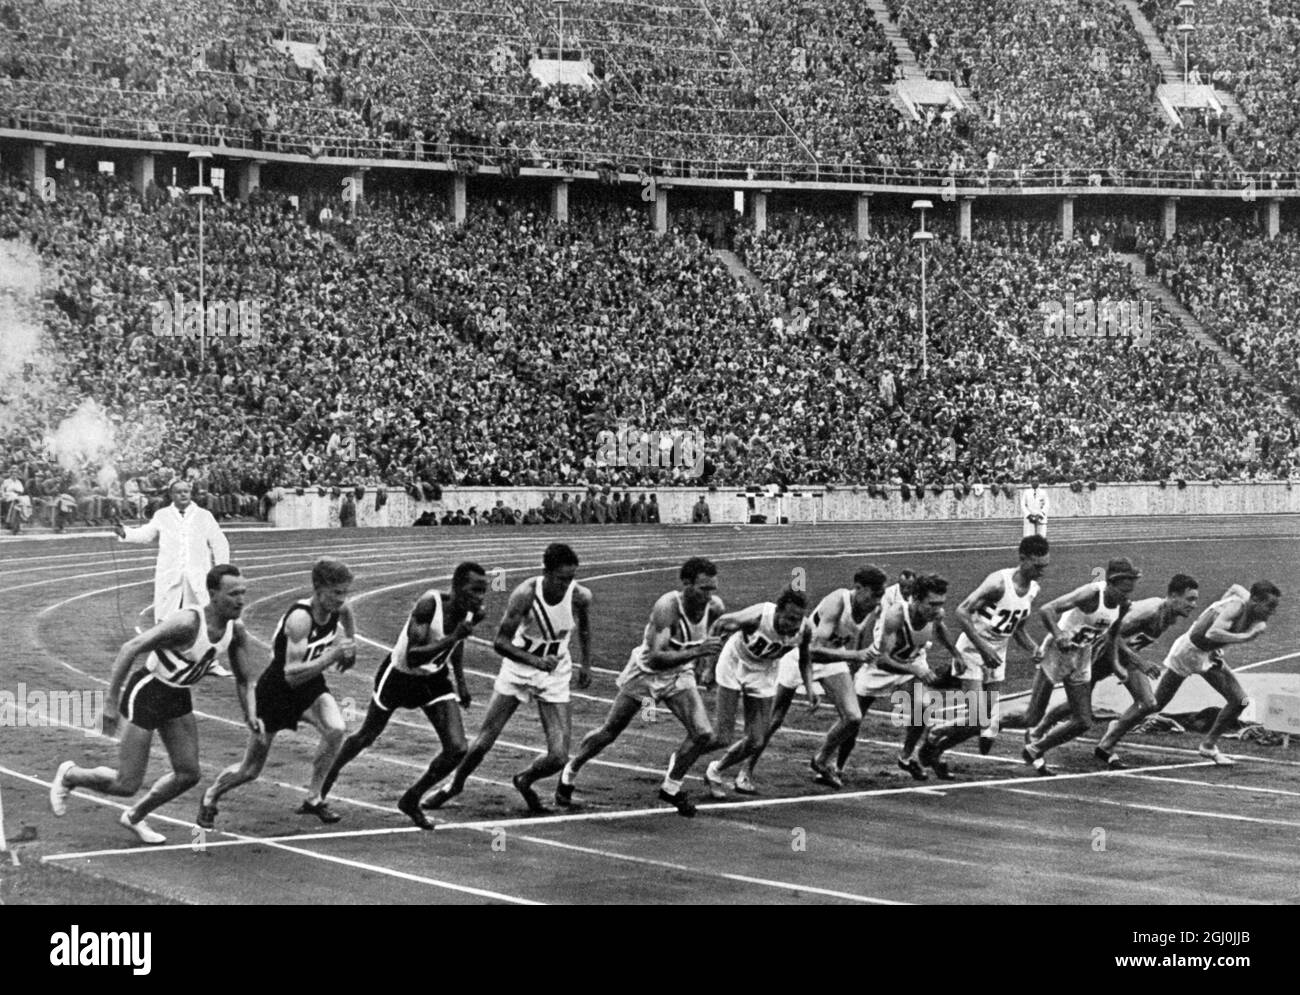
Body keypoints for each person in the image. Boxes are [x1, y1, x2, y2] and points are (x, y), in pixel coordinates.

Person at [49, 565, 258, 845]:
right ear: (213, 594)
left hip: (177, 696)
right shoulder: (187, 623)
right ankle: (71, 775)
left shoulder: (236, 630)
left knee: (188, 774)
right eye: (233, 593)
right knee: (126, 784)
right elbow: (130, 648)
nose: (241, 600)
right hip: (147, 691)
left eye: (243, 593)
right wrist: (111, 702)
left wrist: (251, 716)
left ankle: (134, 817)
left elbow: (245, 680)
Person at [424, 544, 592, 814]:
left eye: (571, 578)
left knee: (559, 756)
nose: (566, 584)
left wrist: (586, 663)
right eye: (561, 578)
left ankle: (525, 779)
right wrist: (535, 661)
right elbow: (500, 642)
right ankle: (452, 786)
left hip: (555, 671)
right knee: (483, 742)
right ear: (545, 573)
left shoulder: (580, 596)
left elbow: (584, 628)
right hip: (518, 667)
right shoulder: (525, 595)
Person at [321, 562, 490, 828]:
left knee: (457, 749)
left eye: (483, 591)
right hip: (399, 676)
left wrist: (461, 682)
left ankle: (412, 798)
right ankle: (325, 780)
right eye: (474, 590)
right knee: (367, 735)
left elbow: (457, 643)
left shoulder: (474, 612)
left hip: (433, 679)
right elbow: (413, 657)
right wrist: (453, 637)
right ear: (456, 587)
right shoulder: (429, 604)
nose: (480, 598)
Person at [197, 559, 357, 829]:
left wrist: (351, 647)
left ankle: (314, 798)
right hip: (277, 691)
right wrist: (332, 656)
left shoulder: (340, 607)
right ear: (318, 589)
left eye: (345, 592)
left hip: (310, 685)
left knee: (336, 729)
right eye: (336, 593)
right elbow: (291, 674)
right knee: (250, 770)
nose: (341, 599)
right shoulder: (300, 619)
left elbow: (347, 622)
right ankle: (211, 794)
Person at [559, 557, 724, 816]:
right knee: (610, 731)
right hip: (645, 674)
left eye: (712, 588)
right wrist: (699, 652)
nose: (708, 595)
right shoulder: (667, 607)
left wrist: (708, 665)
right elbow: (657, 657)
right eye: (703, 588)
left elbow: (712, 639)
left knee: (703, 734)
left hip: (678, 675)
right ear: (686, 583)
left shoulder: (714, 608)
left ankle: (671, 787)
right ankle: (571, 769)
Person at [740, 566, 888, 792]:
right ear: (858, 588)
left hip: (834, 658)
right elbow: (814, 650)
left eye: (880, 594)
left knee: (853, 717)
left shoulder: (870, 607)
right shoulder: (836, 602)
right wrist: (853, 655)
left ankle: (821, 759)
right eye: (874, 594)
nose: (878, 600)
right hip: (799, 655)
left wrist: (857, 661)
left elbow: (856, 635)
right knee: (774, 718)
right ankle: (745, 770)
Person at [920, 537, 1050, 777]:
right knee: (979, 717)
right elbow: (961, 611)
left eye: (1044, 566)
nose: (1041, 572)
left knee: (983, 721)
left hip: (996, 656)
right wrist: (983, 648)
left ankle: (936, 744)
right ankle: (936, 733)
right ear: (1023, 559)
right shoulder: (998, 583)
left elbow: (1018, 628)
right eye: (1037, 566)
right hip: (972, 651)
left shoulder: (1033, 589)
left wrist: (1033, 649)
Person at [1008, 558, 1139, 776]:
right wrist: (1059, 635)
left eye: (1130, 590)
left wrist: (1116, 664)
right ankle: (980, 722)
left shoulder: (1123, 604)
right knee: (1030, 717)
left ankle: (1035, 749)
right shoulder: (1090, 594)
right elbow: (1047, 609)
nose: (1127, 596)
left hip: (1081, 656)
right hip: (1057, 653)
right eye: (1124, 590)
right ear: (1112, 583)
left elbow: (1113, 636)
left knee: (1083, 721)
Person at [1066, 574, 1200, 769]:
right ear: (1173, 596)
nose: (1194, 605)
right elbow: (1111, 634)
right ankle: (1036, 731)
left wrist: (1131, 662)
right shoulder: (1149, 610)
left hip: (1123, 659)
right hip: (1098, 656)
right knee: (1076, 708)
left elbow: (1131, 641)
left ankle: (1106, 745)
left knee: (1148, 703)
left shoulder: (1168, 615)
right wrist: (1139, 662)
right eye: (1190, 599)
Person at [1148, 581, 1280, 766]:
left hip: (1207, 656)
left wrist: (1218, 612)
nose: (1272, 612)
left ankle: (1208, 745)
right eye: (1270, 606)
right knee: (1155, 704)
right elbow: (1212, 633)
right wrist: (1245, 636)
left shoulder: (1244, 598)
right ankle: (1117, 730)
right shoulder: (1237, 607)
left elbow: (1235, 587)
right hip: (1188, 653)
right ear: (1256, 600)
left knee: (1240, 701)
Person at [839, 574, 958, 779]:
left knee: (923, 706)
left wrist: (956, 653)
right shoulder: (896, 615)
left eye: (941, 604)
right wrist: (915, 670)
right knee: (853, 719)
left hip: (912, 661)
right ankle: (836, 766)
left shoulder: (936, 614)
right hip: (879, 667)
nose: (937, 609)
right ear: (916, 599)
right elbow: (883, 660)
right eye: (932, 604)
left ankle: (905, 757)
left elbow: (940, 629)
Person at [703, 589, 814, 799]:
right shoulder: (758, 616)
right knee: (722, 736)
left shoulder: (805, 629)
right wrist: (709, 666)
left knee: (756, 740)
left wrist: (809, 688)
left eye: (798, 620)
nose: (793, 625)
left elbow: (805, 658)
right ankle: (680, 763)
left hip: (764, 671)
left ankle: (715, 770)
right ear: (777, 612)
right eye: (789, 618)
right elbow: (720, 624)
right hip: (734, 662)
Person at [115, 479, 232, 674]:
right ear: (171, 495)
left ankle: (209, 662)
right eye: (178, 492)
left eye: (186, 491)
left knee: (204, 617)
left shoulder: (204, 516)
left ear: (191, 493)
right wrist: (125, 533)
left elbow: (219, 542)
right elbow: (146, 534)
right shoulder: (162, 515)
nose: (183, 495)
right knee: (165, 618)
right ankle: (162, 661)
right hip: (170, 574)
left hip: (198, 573)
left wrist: (221, 570)